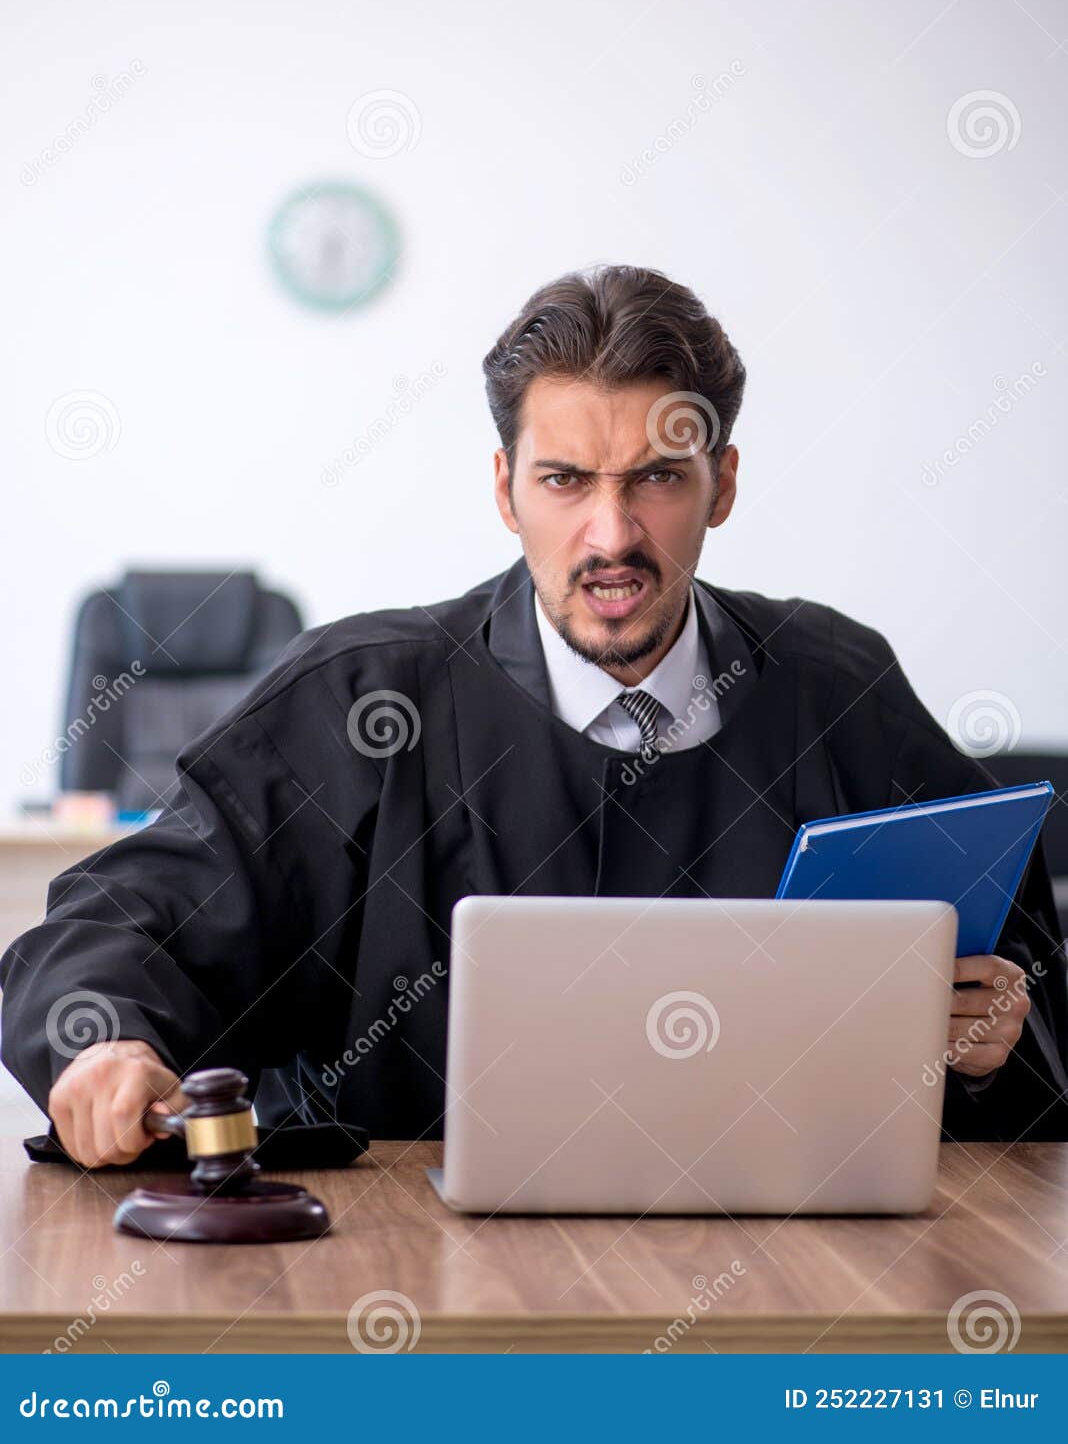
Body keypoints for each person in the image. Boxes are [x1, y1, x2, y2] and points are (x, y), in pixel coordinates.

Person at [3, 265, 1065, 1168]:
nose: (612, 534)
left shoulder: (840, 689)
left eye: (656, 478)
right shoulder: (359, 697)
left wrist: (993, 1037)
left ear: (722, 485)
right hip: (400, 1277)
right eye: (566, 480)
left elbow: (1026, 992)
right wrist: (102, 1047)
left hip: (788, 1271)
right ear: (508, 492)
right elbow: (110, 929)